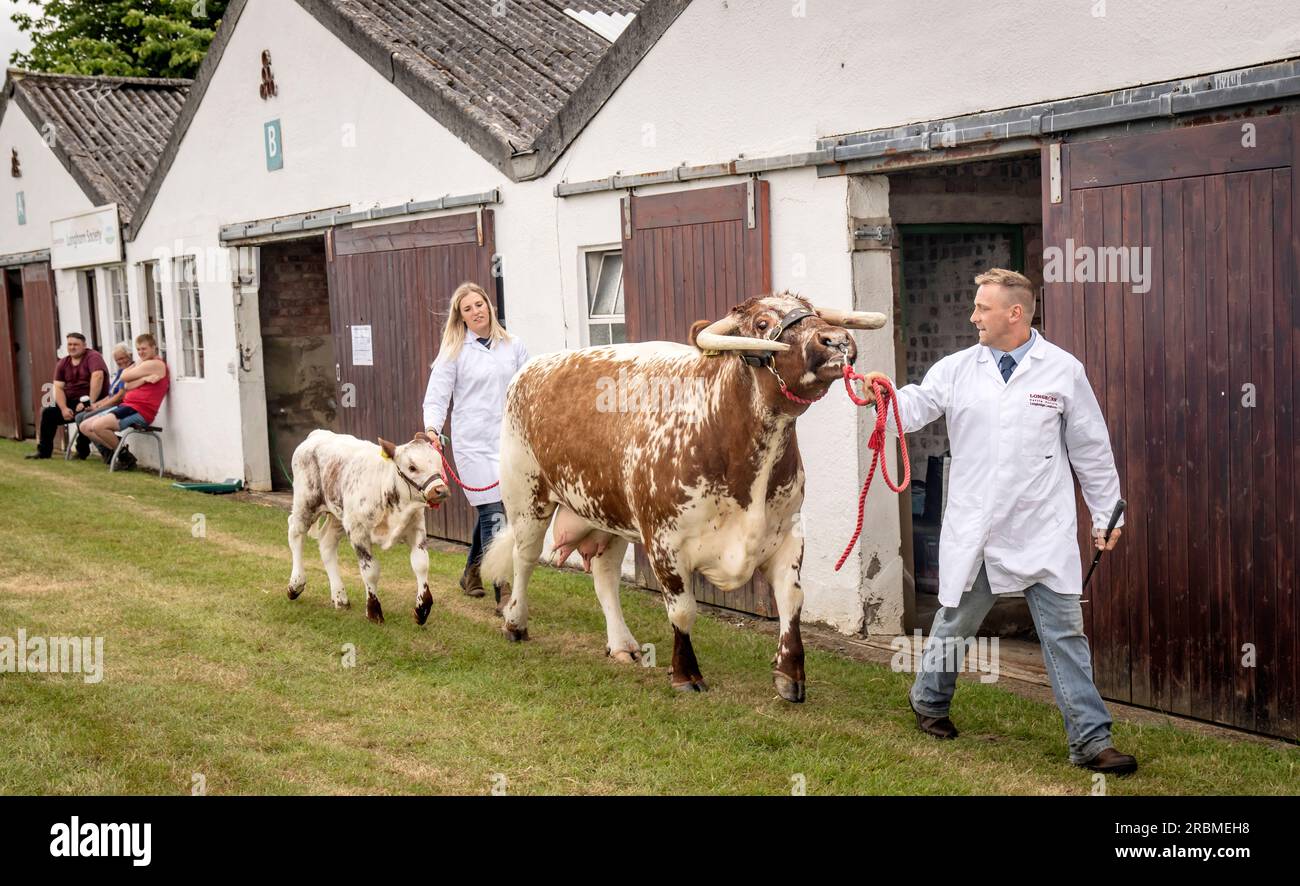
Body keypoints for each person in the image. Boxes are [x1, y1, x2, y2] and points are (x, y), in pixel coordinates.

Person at [870, 268, 1134, 775]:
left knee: (1065, 637)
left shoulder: (1062, 370)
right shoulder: (957, 369)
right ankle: (928, 700)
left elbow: (1091, 449)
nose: (973, 316)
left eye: (981, 308)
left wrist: (1107, 512)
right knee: (955, 624)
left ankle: (1091, 741)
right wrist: (880, 396)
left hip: (1042, 530)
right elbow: (915, 407)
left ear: (1015, 313)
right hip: (980, 531)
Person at [422, 282, 529, 607]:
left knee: (496, 508)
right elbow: (438, 395)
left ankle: (471, 571)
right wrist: (431, 429)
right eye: (467, 309)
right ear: (462, 317)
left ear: (489, 307)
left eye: (479, 304)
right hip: (473, 444)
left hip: (508, 441)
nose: (476, 311)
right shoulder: (454, 351)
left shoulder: (513, 345)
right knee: (494, 510)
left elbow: (529, 387)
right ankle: (503, 588)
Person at [79, 333, 169, 471]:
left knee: (98, 426)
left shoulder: (155, 363)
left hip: (140, 410)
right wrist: (144, 379)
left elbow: (125, 376)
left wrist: (133, 373)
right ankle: (122, 453)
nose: (140, 352)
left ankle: (124, 457)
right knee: (85, 426)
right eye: (138, 349)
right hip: (127, 406)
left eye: (144, 349)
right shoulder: (143, 364)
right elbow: (127, 386)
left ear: (153, 347)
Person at [26, 332, 107, 460]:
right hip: (71, 401)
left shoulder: (93, 357)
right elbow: (58, 387)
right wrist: (63, 408)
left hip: (95, 401)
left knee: (84, 415)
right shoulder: (63, 363)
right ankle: (44, 452)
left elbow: (98, 377)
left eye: (76, 344)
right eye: (70, 344)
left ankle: (82, 451)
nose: (72, 347)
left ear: (84, 345)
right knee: (48, 412)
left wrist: (89, 402)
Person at [75, 342, 134, 463]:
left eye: (123, 358)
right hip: (112, 404)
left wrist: (99, 407)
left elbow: (120, 396)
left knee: (86, 417)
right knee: (79, 417)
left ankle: (110, 451)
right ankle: (108, 450)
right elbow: (111, 394)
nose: (120, 361)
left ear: (130, 355)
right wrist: (95, 405)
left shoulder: (130, 371)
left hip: (119, 406)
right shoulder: (120, 371)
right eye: (117, 360)